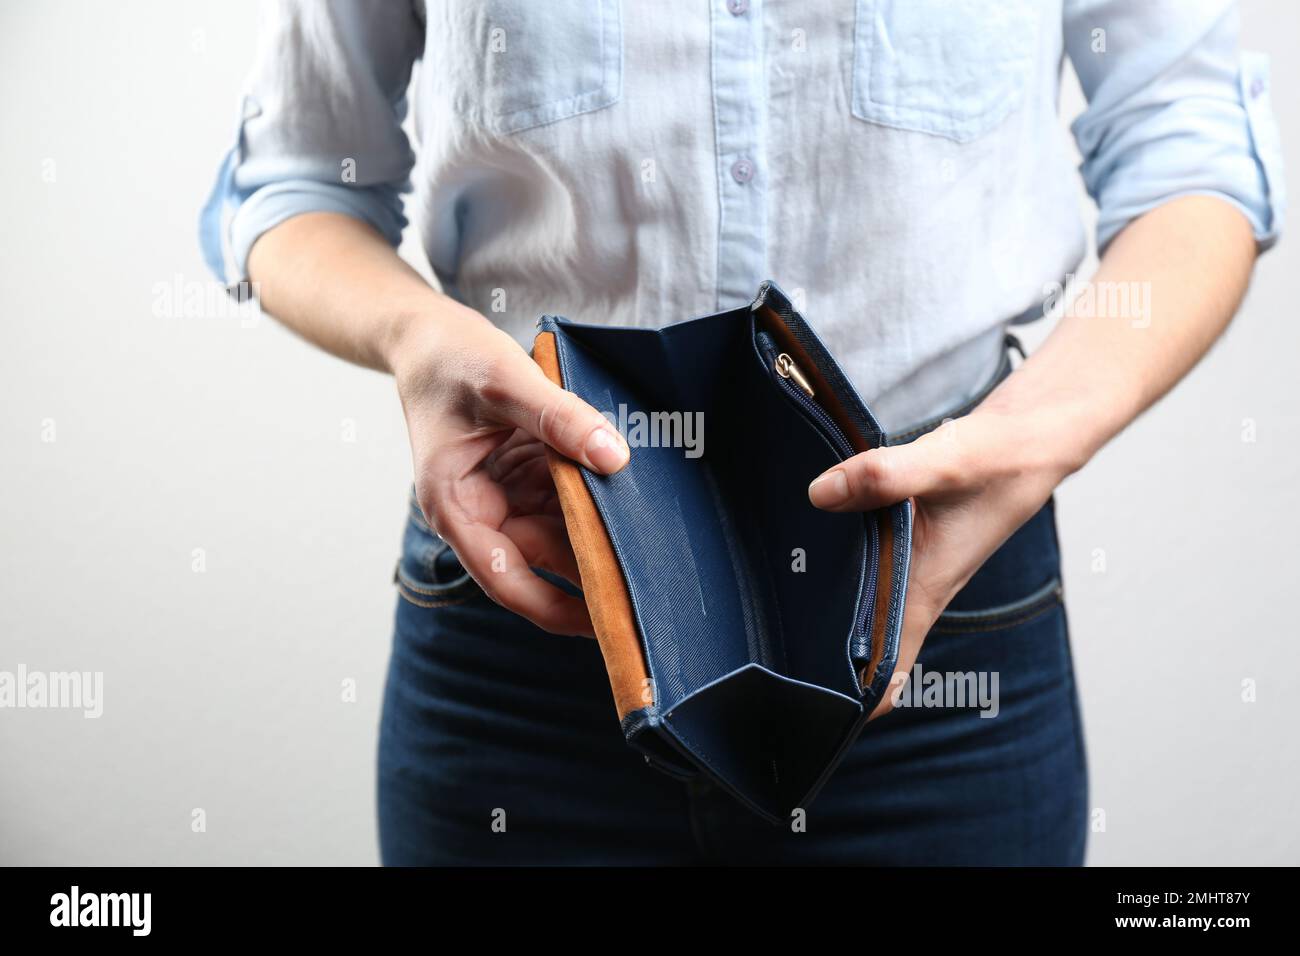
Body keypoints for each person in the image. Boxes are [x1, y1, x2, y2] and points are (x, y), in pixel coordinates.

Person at [200, 1, 1283, 865]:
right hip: (530, 617)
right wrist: (414, 336)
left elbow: (1187, 151)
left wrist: (1034, 438)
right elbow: (297, 176)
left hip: (939, 610)